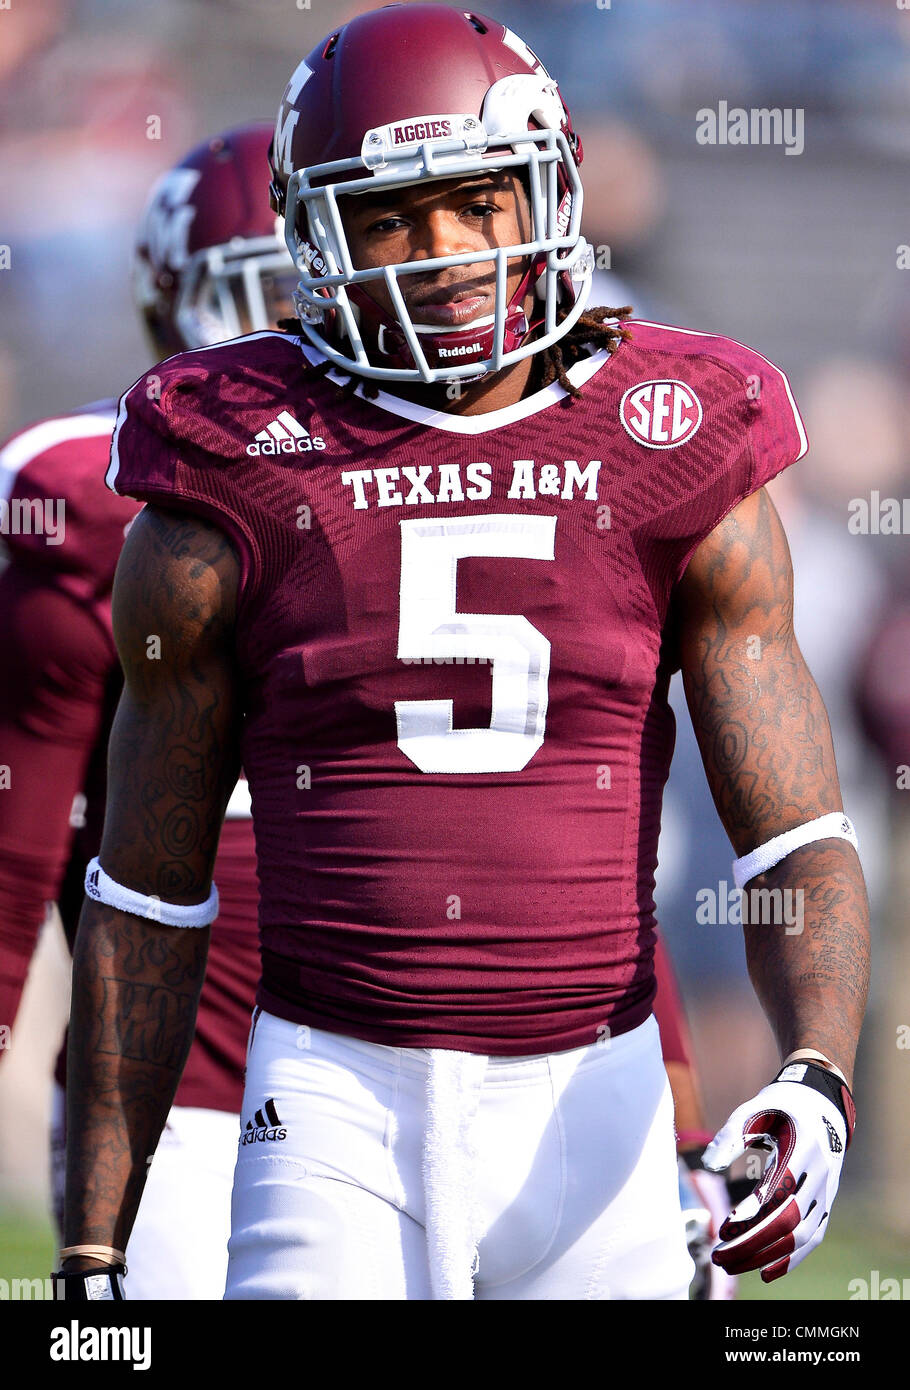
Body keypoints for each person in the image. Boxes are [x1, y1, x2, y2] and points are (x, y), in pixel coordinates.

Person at [57, 5, 868, 1301]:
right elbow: (147, 894)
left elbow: (791, 838)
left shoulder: (673, 434)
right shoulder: (228, 470)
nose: (438, 252)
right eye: (386, 216)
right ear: (315, 239)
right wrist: (92, 1250)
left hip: (593, 1106)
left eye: (475, 202)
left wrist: (812, 1075)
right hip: (328, 1102)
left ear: (546, 189)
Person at [0, 123, 296, 1298]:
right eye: (271, 291)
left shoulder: (453, 471)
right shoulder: (92, 497)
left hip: (479, 1073)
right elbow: (14, 858)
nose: (303, 330)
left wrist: (675, 1115)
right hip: (183, 1112)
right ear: (181, 310)